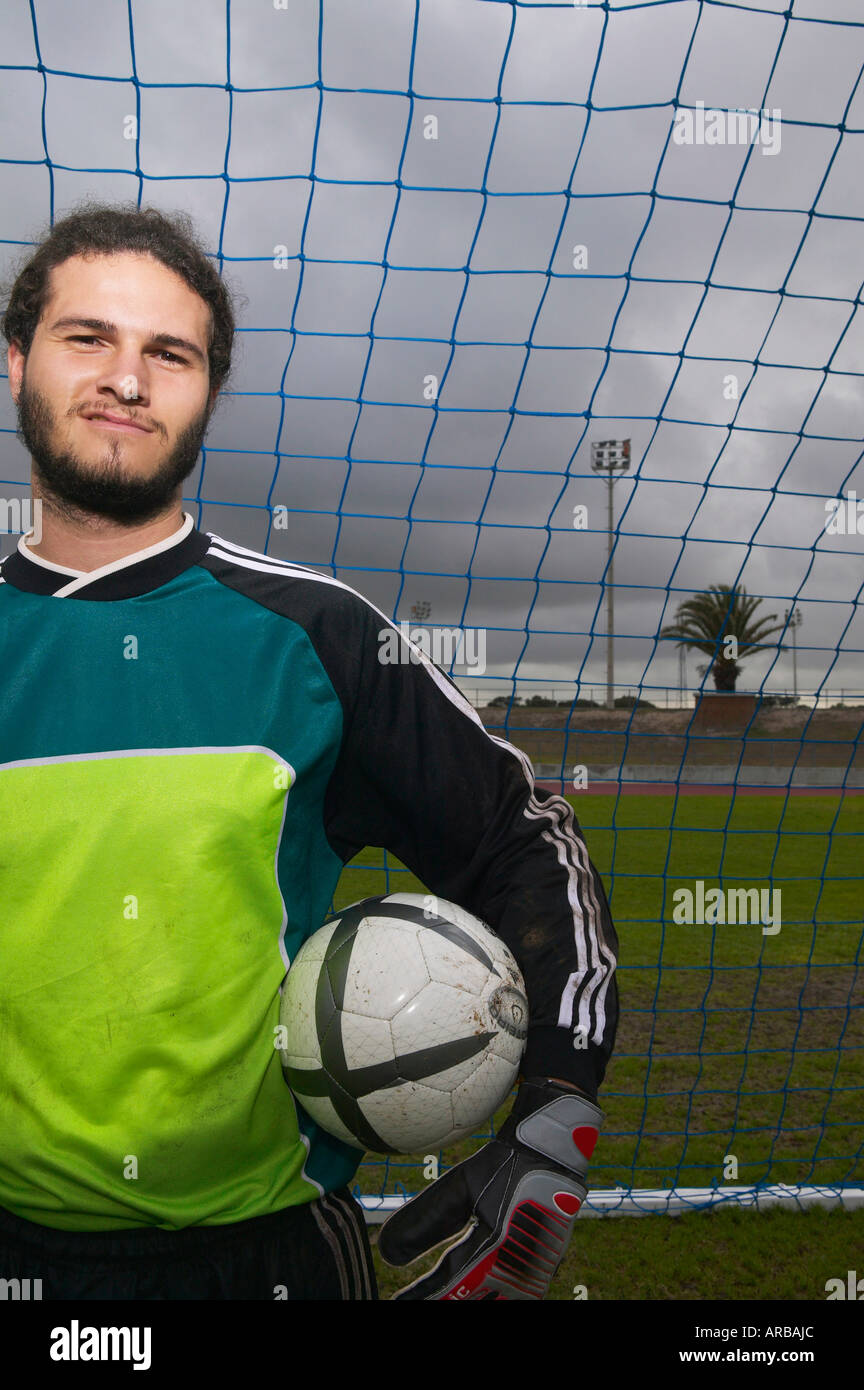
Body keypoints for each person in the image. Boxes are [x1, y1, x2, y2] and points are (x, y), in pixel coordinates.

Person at [0, 203, 619, 1300]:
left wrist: (555, 1116)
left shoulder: (319, 637)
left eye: (169, 353)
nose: (127, 380)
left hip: (266, 1250)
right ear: (17, 361)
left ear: (207, 394)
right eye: (87, 338)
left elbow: (523, 836)